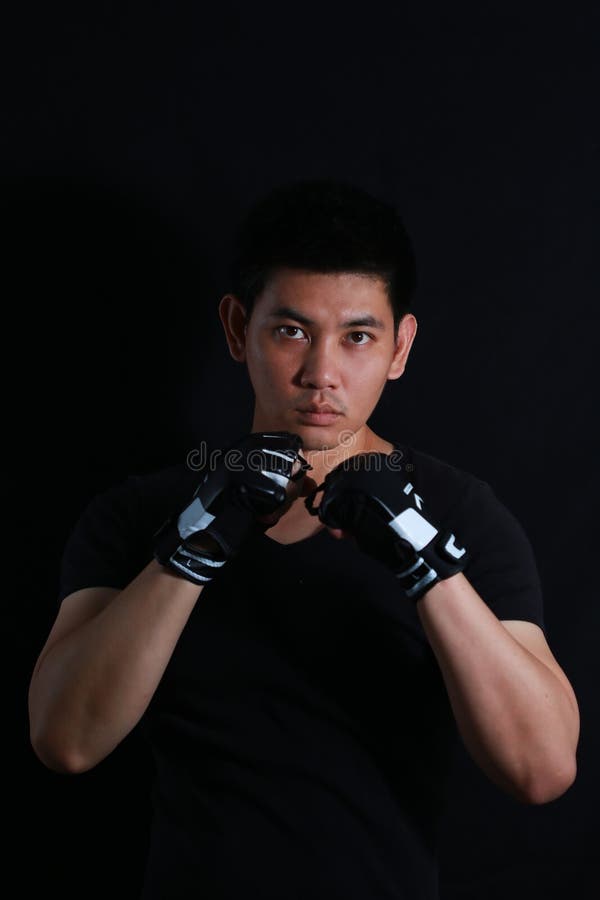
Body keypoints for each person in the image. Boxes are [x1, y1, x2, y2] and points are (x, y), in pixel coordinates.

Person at [28, 178, 580, 900]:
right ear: (237, 329)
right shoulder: (142, 514)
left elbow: (540, 771)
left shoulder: (461, 516)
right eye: (291, 330)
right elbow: (65, 742)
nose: (322, 374)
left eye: (357, 336)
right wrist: (192, 547)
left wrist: (425, 562)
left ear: (400, 346)